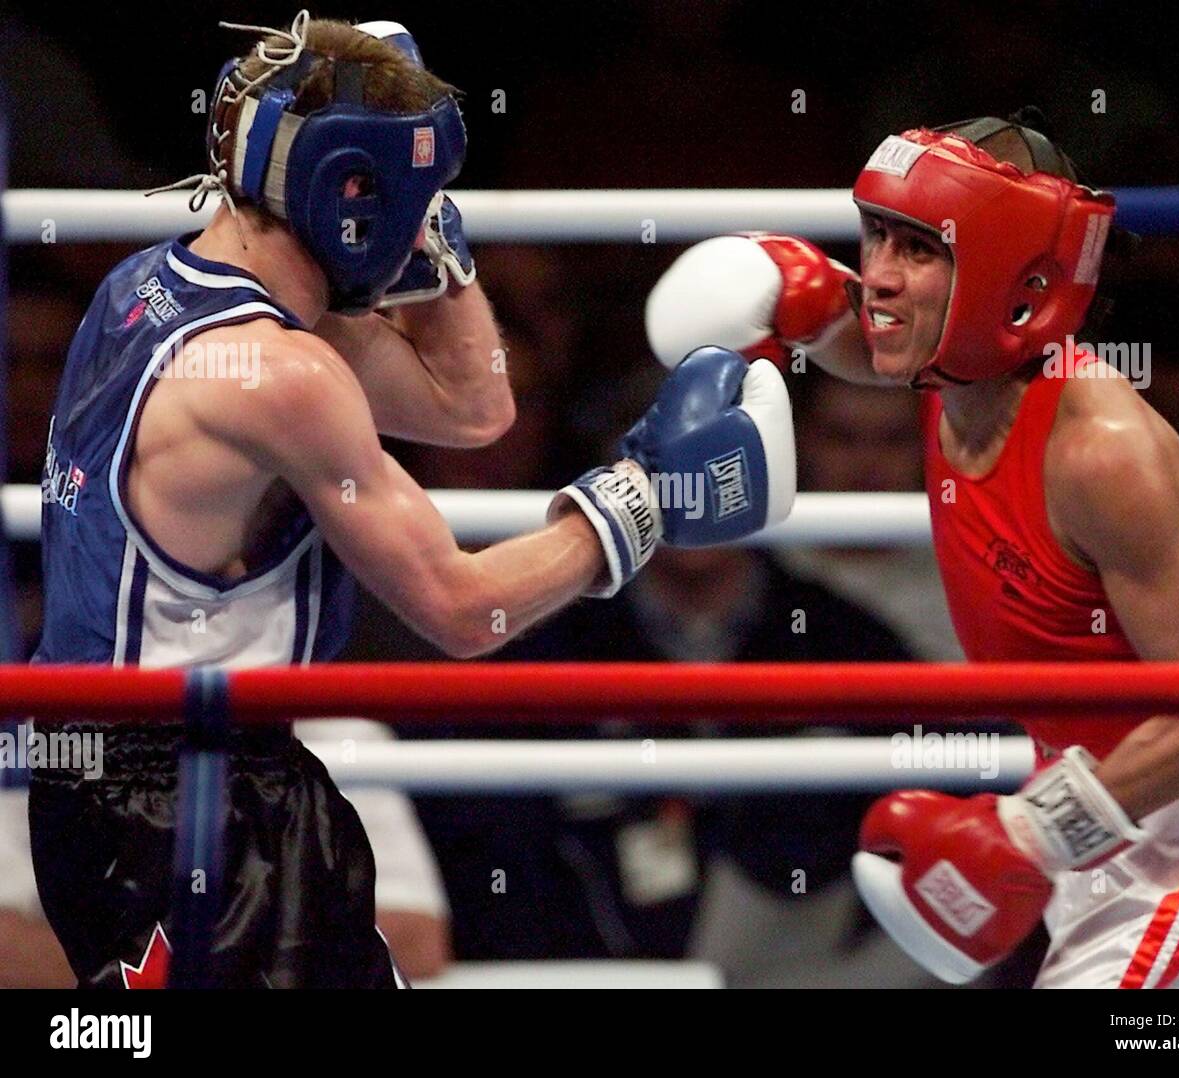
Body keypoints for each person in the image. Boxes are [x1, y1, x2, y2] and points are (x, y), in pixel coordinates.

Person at [28, 12, 795, 988]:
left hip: (147, 775)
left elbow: (472, 406)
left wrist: (423, 224)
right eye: (416, 193)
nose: (428, 213)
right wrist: (646, 496)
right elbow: (464, 608)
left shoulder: (155, 287)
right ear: (348, 193)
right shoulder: (278, 373)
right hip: (188, 792)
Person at [644, 111, 1179, 988]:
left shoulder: (1103, 453)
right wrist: (780, 291)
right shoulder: (939, 367)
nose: (874, 278)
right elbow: (843, 328)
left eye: (917, 250)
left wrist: (1032, 831)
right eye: (874, 236)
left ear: (1007, 280)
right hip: (1103, 800)